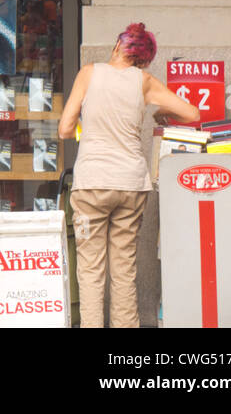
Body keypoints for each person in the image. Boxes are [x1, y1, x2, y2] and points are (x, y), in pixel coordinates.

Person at [58, 22, 199, 328]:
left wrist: (89, 131)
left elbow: (65, 129)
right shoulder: (145, 81)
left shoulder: (88, 73)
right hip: (132, 184)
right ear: (143, 59)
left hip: (92, 183)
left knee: (91, 271)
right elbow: (193, 113)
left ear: (117, 46)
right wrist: (161, 114)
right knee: (124, 269)